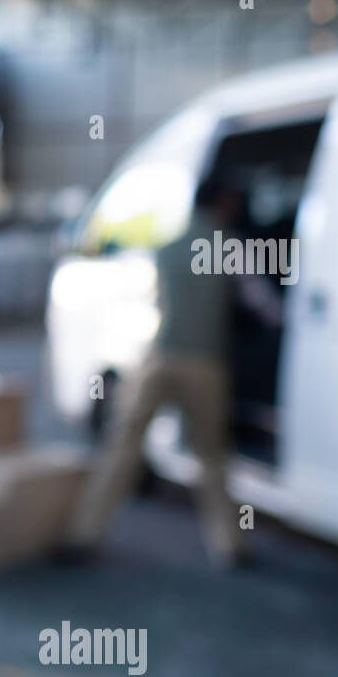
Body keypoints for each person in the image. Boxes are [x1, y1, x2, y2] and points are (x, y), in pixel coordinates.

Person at [62, 177, 249, 568]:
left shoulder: (167, 248)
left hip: (160, 358)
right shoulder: (230, 245)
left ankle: (83, 534)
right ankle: (229, 546)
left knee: (123, 444)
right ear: (225, 203)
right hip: (205, 363)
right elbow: (261, 301)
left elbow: (156, 298)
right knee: (212, 455)